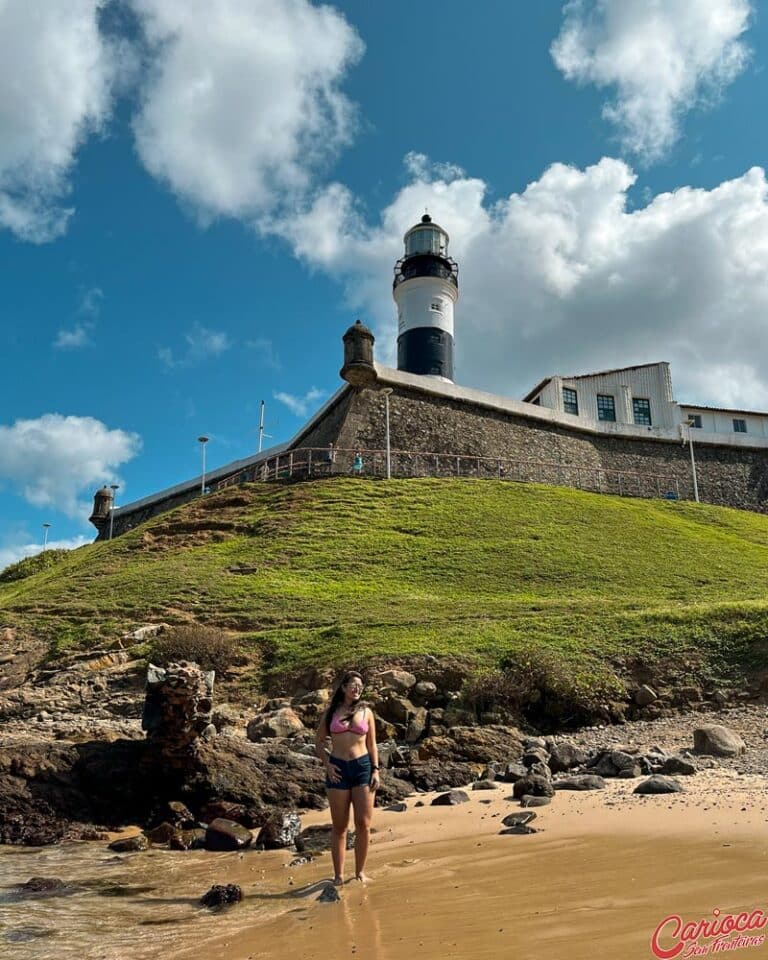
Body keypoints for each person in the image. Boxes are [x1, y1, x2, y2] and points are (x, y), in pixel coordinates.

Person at [314, 671, 380, 884]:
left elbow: (372, 744)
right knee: (340, 826)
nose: (357, 689)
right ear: (343, 688)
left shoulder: (366, 712)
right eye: (353, 685)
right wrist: (328, 764)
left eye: (360, 686)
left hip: (362, 767)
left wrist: (376, 769)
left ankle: (360, 872)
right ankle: (339, 876)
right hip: (339, 769)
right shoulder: (331, 712)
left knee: (363, 823)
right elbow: (319, 742)